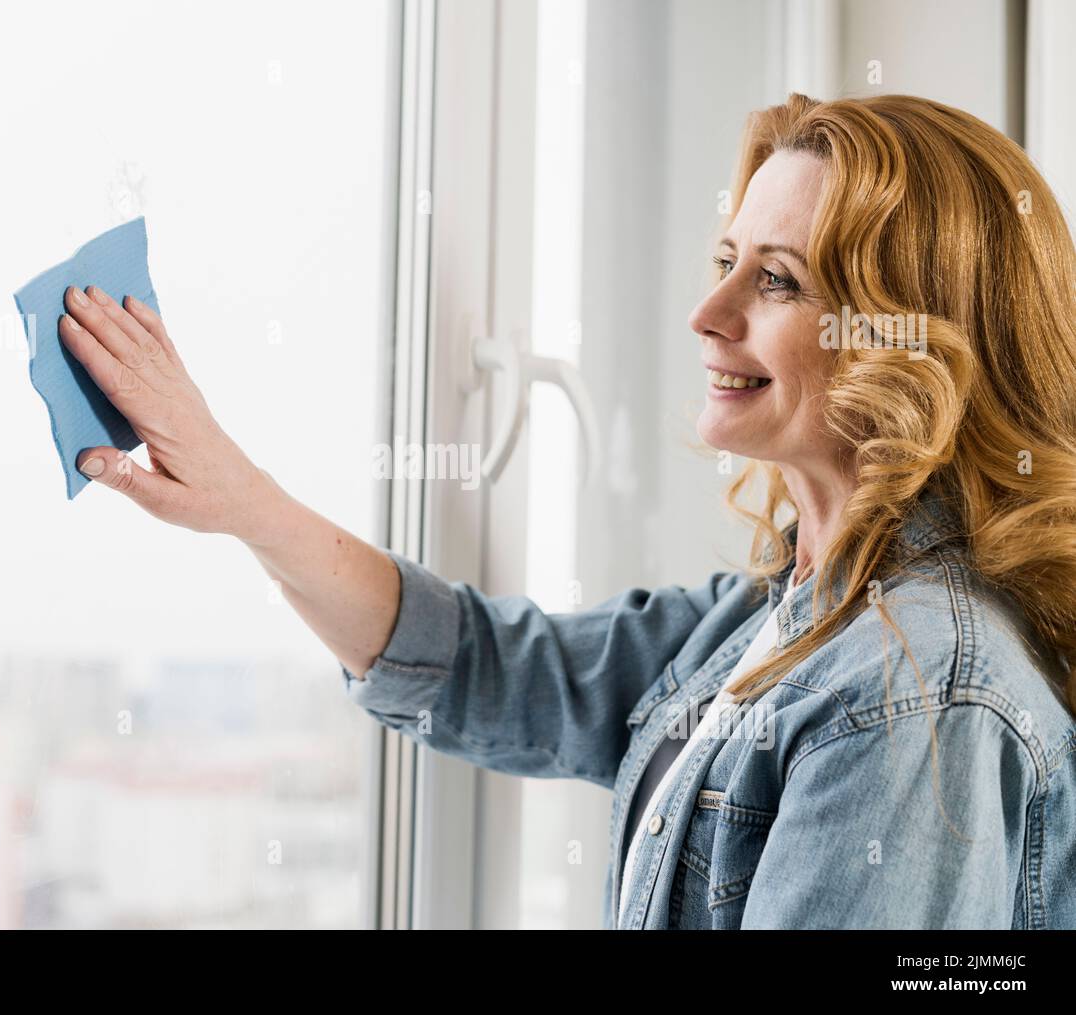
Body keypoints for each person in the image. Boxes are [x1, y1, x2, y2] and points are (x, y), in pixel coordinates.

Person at [54, 93, 1076, 929]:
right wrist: (242, 500)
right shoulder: (778, 615)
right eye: (727, 262)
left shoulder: (917, 691)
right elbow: (496, 672)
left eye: (775, 280)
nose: (706, 314)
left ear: (909, 338)